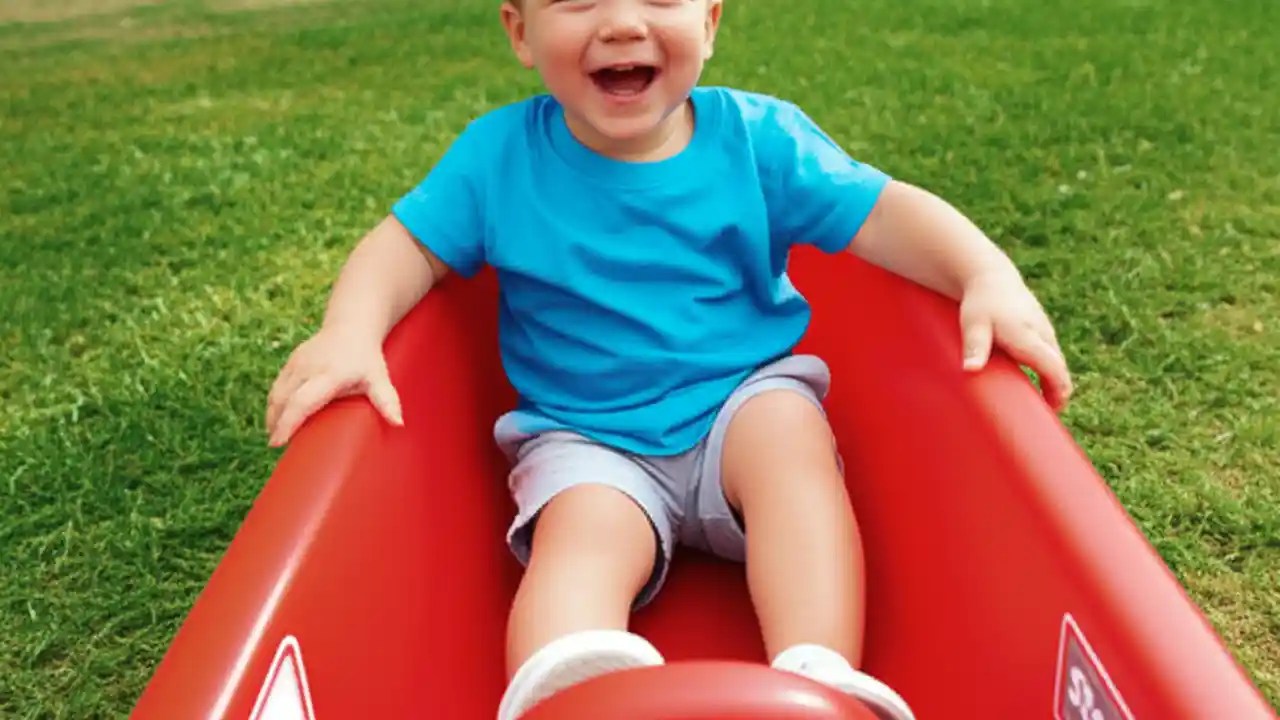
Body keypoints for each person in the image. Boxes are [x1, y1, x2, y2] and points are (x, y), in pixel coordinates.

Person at [264, 1, 1073, 718]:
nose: (622, 22)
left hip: (741, 405)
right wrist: (350, 331)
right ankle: (568, 685)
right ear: (520, 31)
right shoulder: (497, 158)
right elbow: (405, 247)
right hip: (589, 438)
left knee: (789, 442)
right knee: (582, 533)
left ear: (710, 23)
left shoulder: (758, 140)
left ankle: (820, 670)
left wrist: (984, 274)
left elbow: (885, 213)